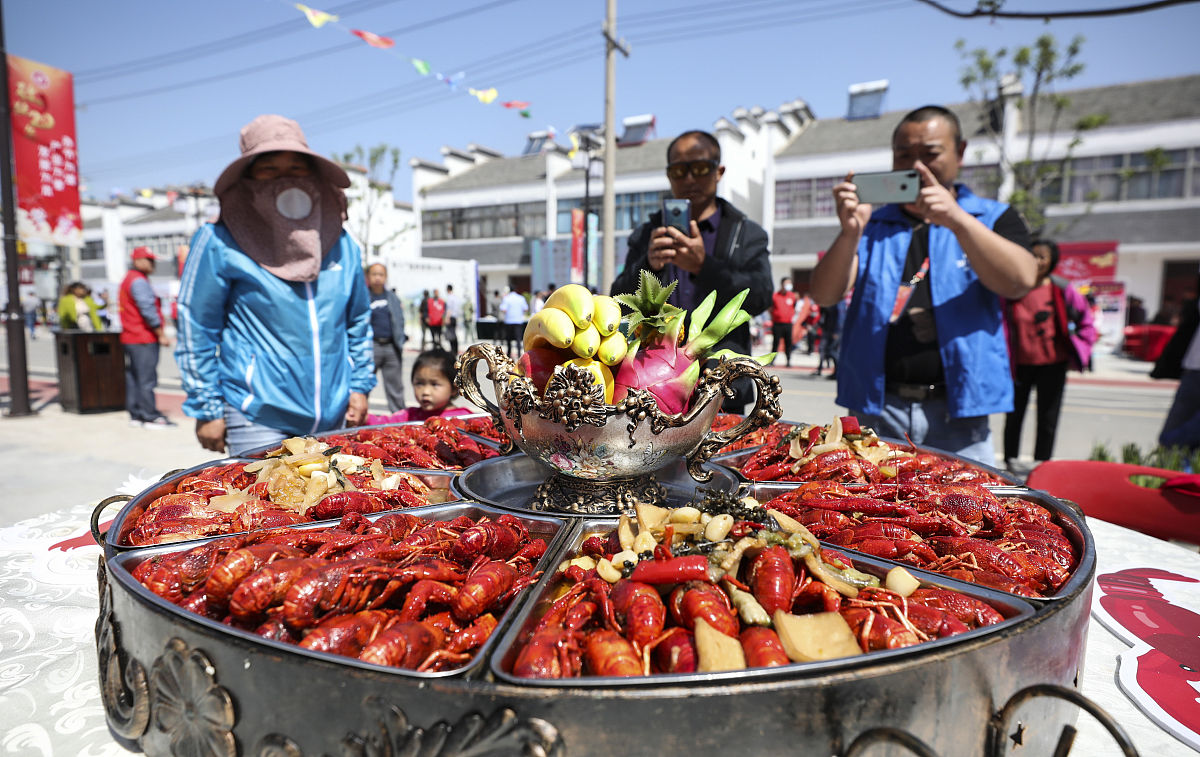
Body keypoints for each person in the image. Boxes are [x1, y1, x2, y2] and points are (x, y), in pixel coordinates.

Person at [810, 105, 1037, 464]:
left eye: (930, 154)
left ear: (960, 152)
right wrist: (850, 231)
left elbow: (1020, 281)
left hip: (959, 414)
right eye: (904, 155)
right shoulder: (871, 223)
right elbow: (824, 294)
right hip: (877, 409)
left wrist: (957, 220)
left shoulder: (991, 217)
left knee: (968, 510)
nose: (916, 166)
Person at [176, 114, 374, 455]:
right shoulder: (219, 241)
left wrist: (360, 386)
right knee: (266, 507)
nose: (285, 180)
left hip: (335, 417)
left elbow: (357, 321)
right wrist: (207, 408)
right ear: (249, 178)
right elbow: (197, 325)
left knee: (331, 506)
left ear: (313, 175)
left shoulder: (341, 244)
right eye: (269, 169)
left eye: (297, 168)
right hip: (258, 418)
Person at [610, 129, 773, 413]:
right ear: (668, 175)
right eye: (678, 171)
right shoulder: (648, 233)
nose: (689, 179)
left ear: (718, 171)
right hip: (653, 383)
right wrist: (648, 265)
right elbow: (618, 300)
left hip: (721, 384)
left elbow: (760, 296)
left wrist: (704, 267)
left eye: (700, 168)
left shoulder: (744, 233)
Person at [1002, 239, 1098, 468]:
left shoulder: (1062, 289)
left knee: (1048, 418)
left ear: (1052, 260)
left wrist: (1081, 349)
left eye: (1042, 256)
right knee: (1013, 415)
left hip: (1053, 364)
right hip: (1019, 365)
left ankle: (1042, 464)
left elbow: (1086, 322)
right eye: (1032, 255)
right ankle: (1009, 461)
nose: (1037, 261)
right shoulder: (1012, 289)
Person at [120, 248, 175, 429]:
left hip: (131, 336)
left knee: (134, 377)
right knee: (146, 378)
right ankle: (149, 416)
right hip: (143, 337)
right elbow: (148, 310)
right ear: (137, 261)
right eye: (149, 260)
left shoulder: (129, 279)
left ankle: (136, 414)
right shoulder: (138, 281)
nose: (153, 264)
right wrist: (160, 334)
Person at [365, 349, 474, 424]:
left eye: (434, 384)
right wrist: (363, 418)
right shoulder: (409, 416)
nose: (425, 391)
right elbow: (383, 424)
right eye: (419, 383)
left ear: (454, 388)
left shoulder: (465, 418)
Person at [366, 262, 408, 413]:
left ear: (386, 277)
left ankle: (399, 418)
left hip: (391, 346)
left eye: (381, 274)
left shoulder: (392, 297)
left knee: (395, 386)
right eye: (374, 274)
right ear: (368, 277)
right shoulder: (363, 296)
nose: (377, 278)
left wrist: (401, 340)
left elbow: (400, 320)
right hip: (371, 347)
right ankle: (358, 419)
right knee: (364, 384)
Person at [770, 276, 799, 367]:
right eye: (786, 283)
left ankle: (788, 360)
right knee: (776, 343)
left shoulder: (792, 296)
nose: (788, 285)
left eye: (789, 283)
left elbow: (794, 307)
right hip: (777, 323)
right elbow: (770, 308)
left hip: (788, 324)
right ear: (782, 284)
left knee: (788, 343)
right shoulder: (775, 296)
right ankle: (772, 360)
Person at [814, 298, 845, 378]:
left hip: (835, 331)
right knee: (824, 349)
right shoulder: (831, 301)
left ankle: (839, 371)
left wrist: (836, 331)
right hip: (828, 329)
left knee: (832, 351)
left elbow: (840, 317)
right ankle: (834, 372)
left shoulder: (839, 302)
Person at [499, 287, 529, 357]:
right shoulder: (521, 298)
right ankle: (519, 354)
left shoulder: (506, 298)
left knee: (508, 339)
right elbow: (525, 309)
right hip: (518, 321)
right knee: (518, 339)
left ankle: (509, 354)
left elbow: (503, 309)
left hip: (509, 321)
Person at [444, 283, 462, 354]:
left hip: (450, 317)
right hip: (455, 317)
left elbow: (449, 309)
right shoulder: (455, 298)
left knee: (450, 334)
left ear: (448, 289)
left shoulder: (449, 298)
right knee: (454, 333)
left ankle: (453, 350)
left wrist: (447, 318)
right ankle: (455, 349)